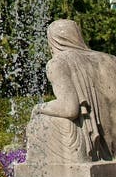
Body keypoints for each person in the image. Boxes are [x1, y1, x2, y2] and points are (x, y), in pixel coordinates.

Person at [27, 20, 116, 164]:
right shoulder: (111, 60)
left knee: (41, 122)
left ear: (53, 40)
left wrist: (39, 108)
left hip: (92, 148)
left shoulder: (58, 63)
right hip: (113, 144)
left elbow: (69, 109)